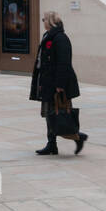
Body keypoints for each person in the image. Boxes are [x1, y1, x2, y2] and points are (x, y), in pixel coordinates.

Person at [30, 10, 86, 155]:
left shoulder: (60, 38)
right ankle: (52, 144)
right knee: (50, 114)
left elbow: (64, 63)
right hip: (48, 83)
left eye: (44, 20)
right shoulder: (48, 36)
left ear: (50, 21)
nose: (43, 22)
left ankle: (78, 137)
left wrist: (60, 85)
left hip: (58, 85)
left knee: (61, 114)